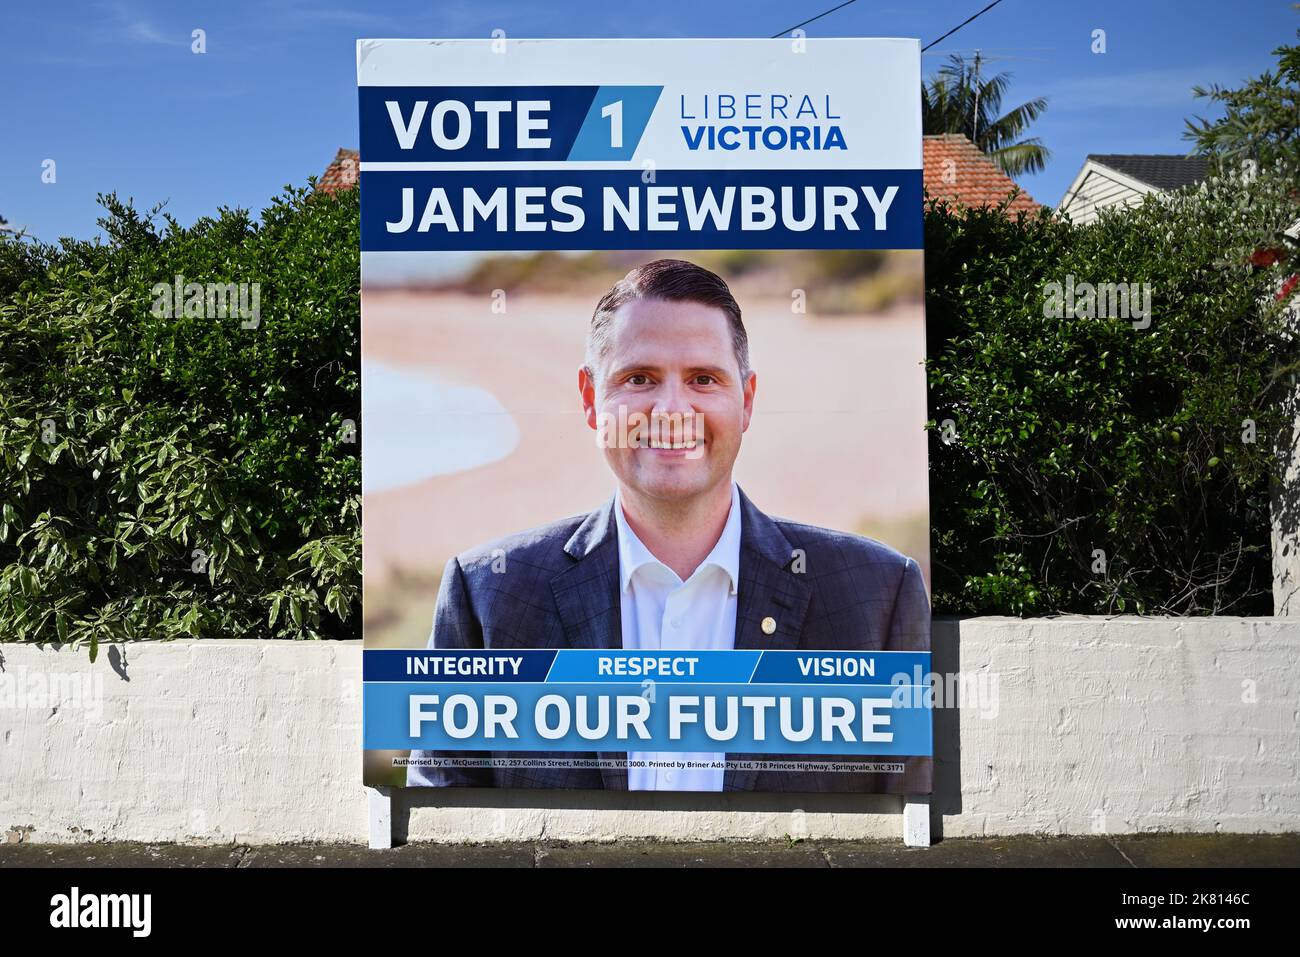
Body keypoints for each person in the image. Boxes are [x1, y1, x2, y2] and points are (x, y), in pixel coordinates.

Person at [407, 258, 930, 792]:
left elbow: (909, 832)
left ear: (746, 401)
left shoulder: (879, 596)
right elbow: (447, 833)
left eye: (704, 379)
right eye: (640, 378)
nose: (673, 409)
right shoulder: (487, 597)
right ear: (592, 401)